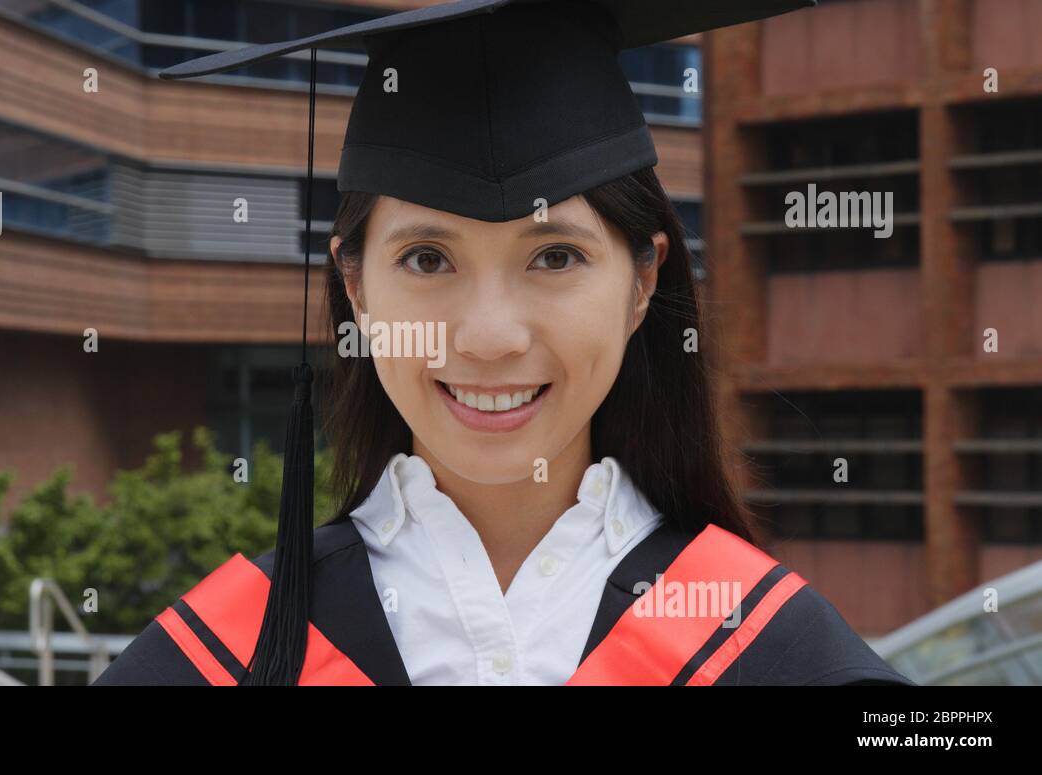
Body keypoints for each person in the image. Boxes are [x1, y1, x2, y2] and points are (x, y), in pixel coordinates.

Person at [93, 0, 916, 686]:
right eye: (427, 258)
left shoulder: (767, 645)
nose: (489, 337)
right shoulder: (233, 650)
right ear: (356, 289)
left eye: (555, 256)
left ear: (640, 283)